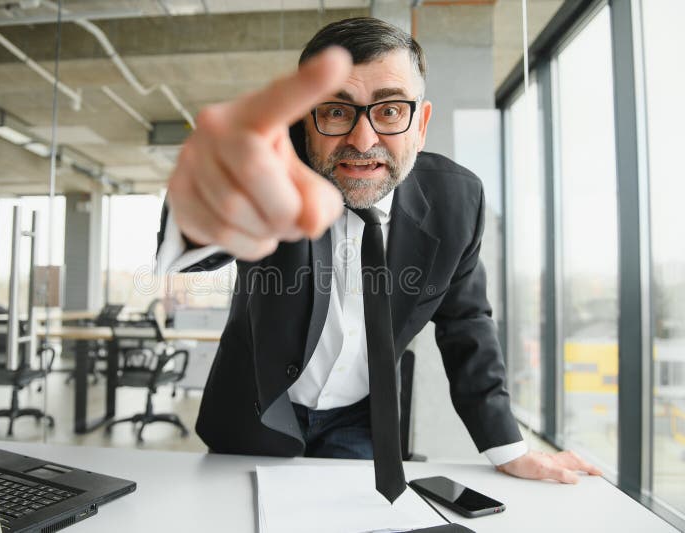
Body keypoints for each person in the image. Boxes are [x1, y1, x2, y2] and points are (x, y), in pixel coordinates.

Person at [155, 17, 601, 488]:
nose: (362, 141)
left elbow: (466, 324)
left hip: (360, 421)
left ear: (421, 124)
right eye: (336, 111)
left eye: (389, 111)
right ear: (307, 121)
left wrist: (508, 448)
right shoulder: (270, 176)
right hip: (255, 413)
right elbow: (211, 222)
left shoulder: (458, 202)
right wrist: (197, 212)